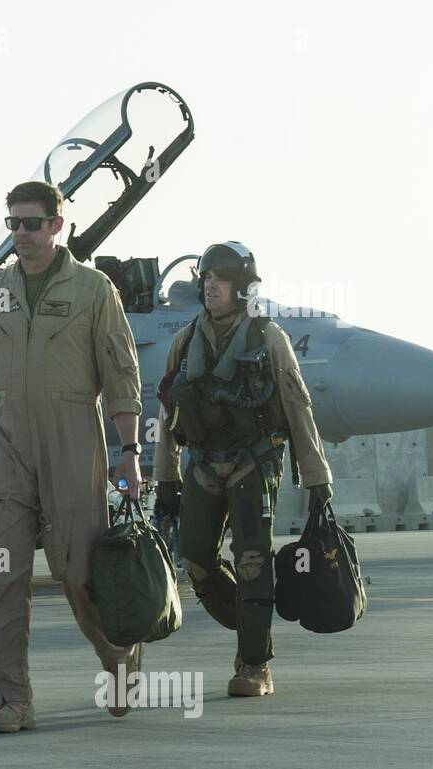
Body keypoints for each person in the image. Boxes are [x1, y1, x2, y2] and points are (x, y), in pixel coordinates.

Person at [0, 180, 145, 733]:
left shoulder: (94, 290)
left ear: (57, 226)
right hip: (6, 449)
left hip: (73, 444)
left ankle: (119, 661)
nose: (21, 233)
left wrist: (129, 454)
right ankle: (11, 700)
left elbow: (121, 377)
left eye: (32, 223)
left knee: (79, 571)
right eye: (13, 223)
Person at [152, 241, 333, 696]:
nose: (211, 285)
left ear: (243, 286)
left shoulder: (268, 337)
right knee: (195, 561)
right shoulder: (185, 340)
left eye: (222, 278)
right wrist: (166, 477)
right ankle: (252, 628)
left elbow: (297, 406)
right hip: (202, 465)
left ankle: (254, 665)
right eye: (207, 277)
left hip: (253, 462)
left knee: (252, 562)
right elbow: (167, 414)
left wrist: (317, 478)